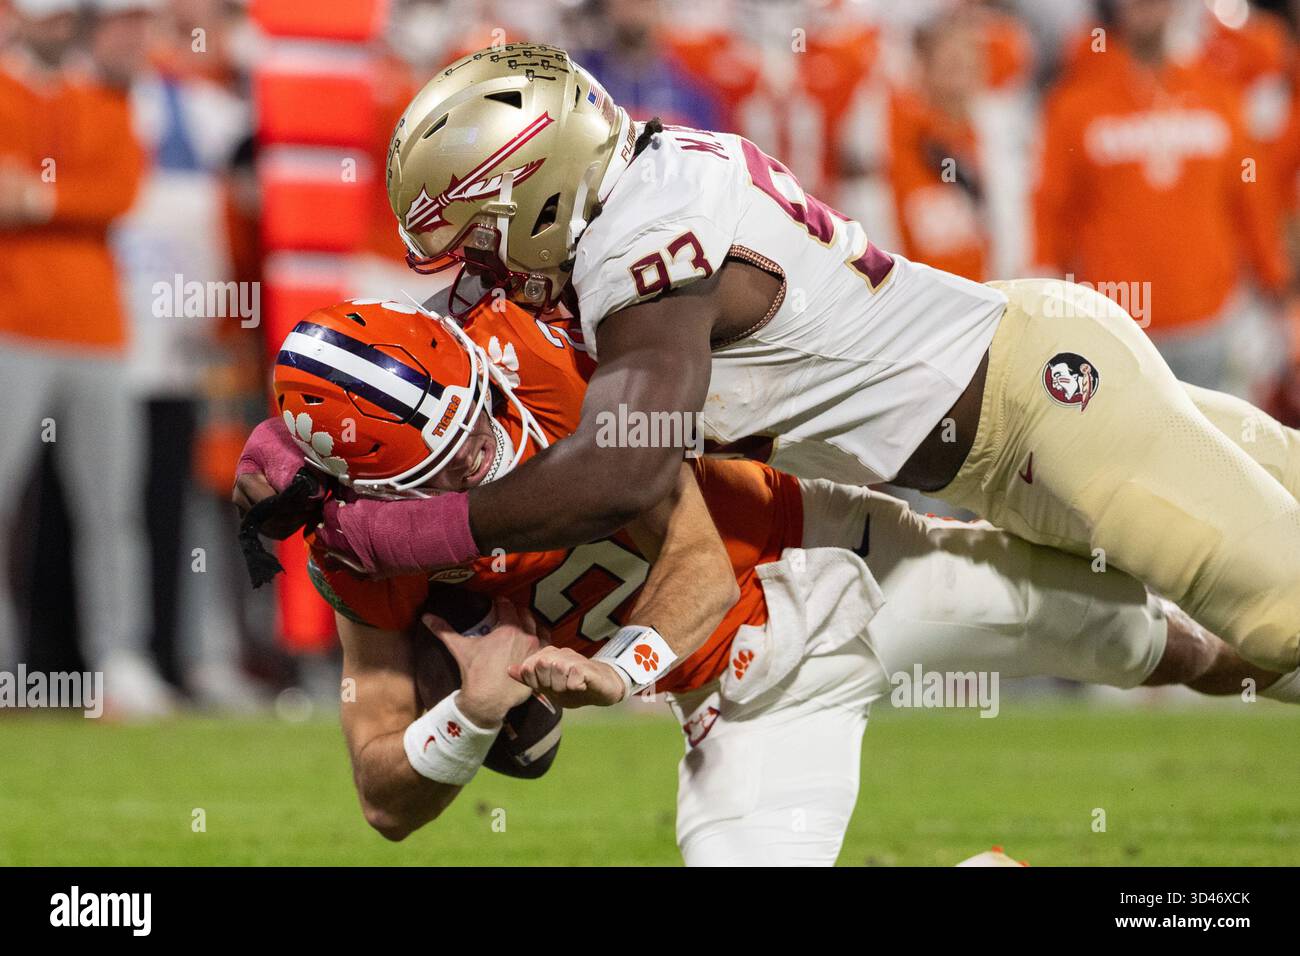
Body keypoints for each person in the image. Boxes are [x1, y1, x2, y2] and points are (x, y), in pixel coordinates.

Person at [240, 41, 1300, 679]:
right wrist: (295, 426)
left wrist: (404, 529)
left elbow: (622, 470)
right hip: (1006, 417)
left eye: (476, 228)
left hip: (1044, 409)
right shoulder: (618, 196)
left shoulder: (641, 246)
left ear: (536, 184)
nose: (472, 262)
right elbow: (439, 312)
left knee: (1283, 617)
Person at [276, 297, 1300, 865]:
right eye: (447, 466)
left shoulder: (535, 357)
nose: (489, 452)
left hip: (848, 568)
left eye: (481, 414)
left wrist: (621, 668)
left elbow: (690, 568)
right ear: (367, 493)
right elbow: (383, 799)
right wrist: (468, 711)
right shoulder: (354, 548)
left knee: (1173, 640)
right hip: (737, 703)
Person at [0, 0, 171, 714]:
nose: (56, 24)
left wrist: (36, 198)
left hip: (97, 332)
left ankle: (119, 658)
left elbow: (119, 192)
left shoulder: (102, 100)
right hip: (11, 328)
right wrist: (63, 198)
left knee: (111, 506)